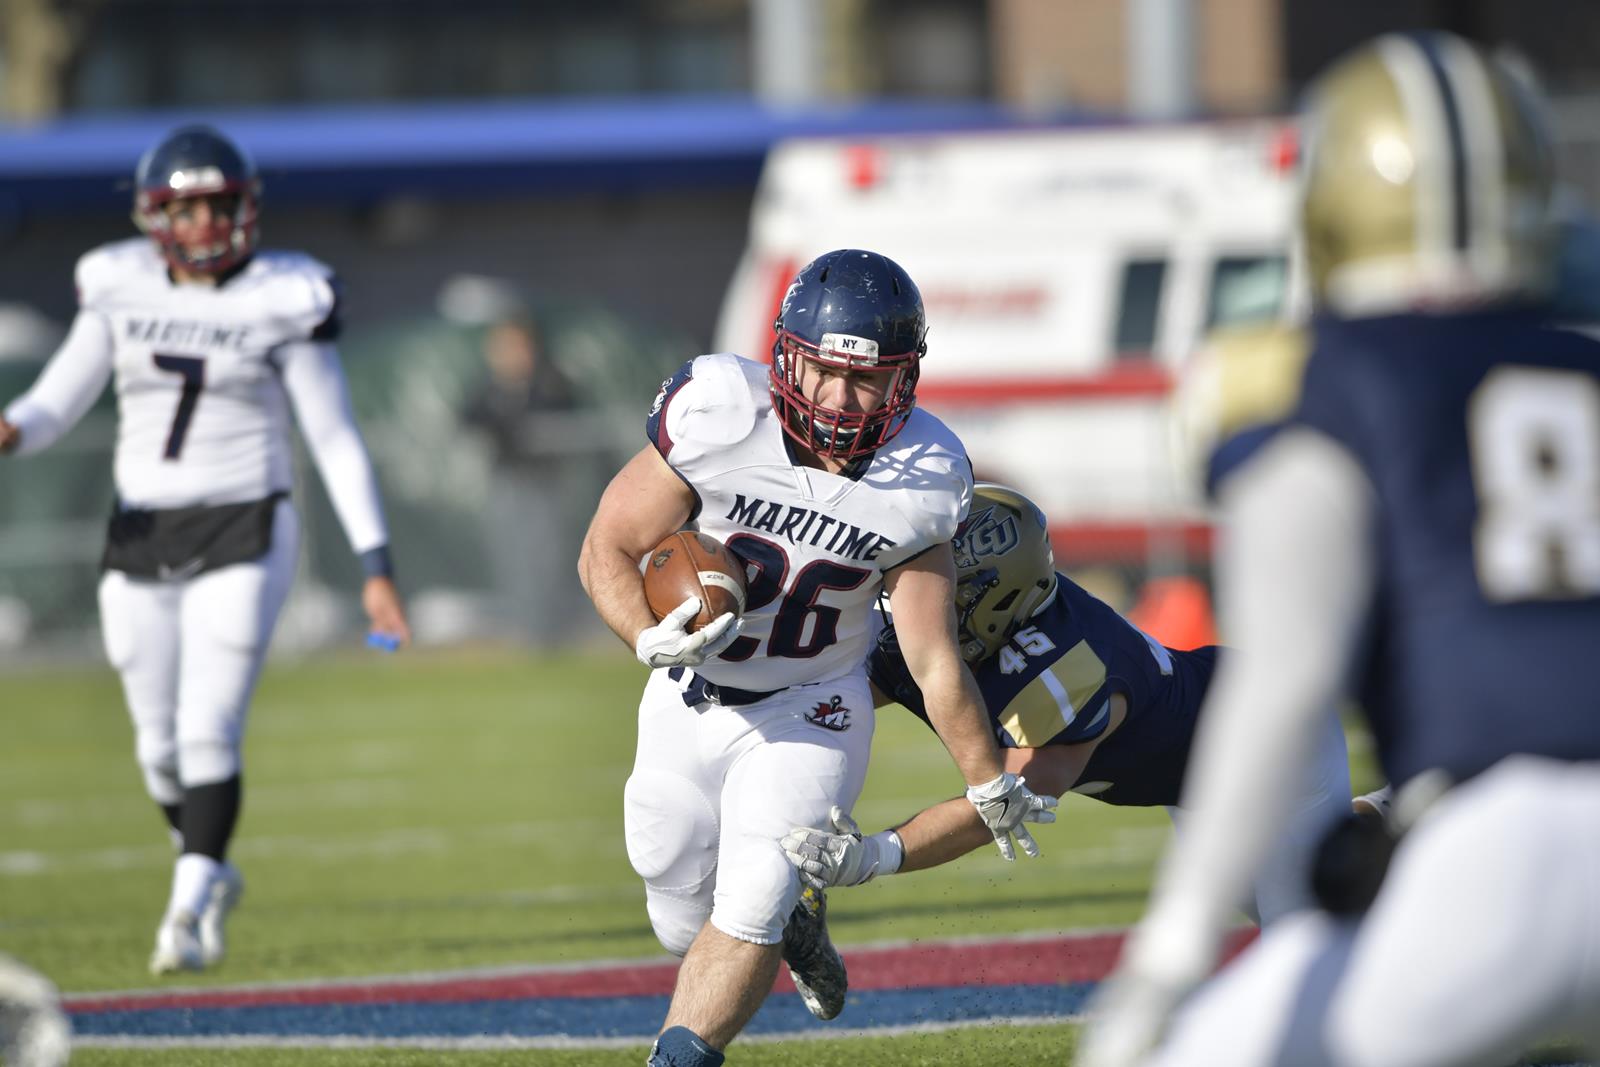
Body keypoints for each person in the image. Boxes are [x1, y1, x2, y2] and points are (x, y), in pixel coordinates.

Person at [1080, 32, 1600, 1067]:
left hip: (1512, 847)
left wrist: (1172, 945)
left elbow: (1284, 682)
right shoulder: (1580, 364)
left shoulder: (1327, 378)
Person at [576, 249, 1057, 1067]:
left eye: (867, 380)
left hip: (813, 705)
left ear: (904, 378)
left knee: (752, 900)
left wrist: (986, 778)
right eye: (825, 371)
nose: (839, 398)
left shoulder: (926, 475)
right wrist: (644, 635)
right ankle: (800, 926)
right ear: (786, 356)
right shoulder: (720, 411)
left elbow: (932, 655)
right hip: (689, 689)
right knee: (675, 906)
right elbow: (607, 545)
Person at [0, 125, 410, 976]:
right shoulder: (115, 283)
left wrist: (376, 566)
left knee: (205, 724)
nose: (204, 223)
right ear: (155, 214)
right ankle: (210, 863)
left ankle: (186, 905)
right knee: (157, 744)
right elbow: (56, 402)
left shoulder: (283, 294)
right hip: (141, 528)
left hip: (244, 522)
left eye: (219, 205)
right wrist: (11, 428)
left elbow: (332, 437)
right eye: (186, 208)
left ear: (245, 206)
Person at [781, 483, 1353, 930]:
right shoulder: (964, 626)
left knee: (1299, 934)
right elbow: (825, 698)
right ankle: (1370, 825)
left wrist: (874, 856)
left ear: (993, 595)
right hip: (1192, 770)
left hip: (1268, 735)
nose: (917, 602)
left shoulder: (1068, 671)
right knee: (1253, 899)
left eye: (943, 588)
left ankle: (1388, 826)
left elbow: (1002, 800)